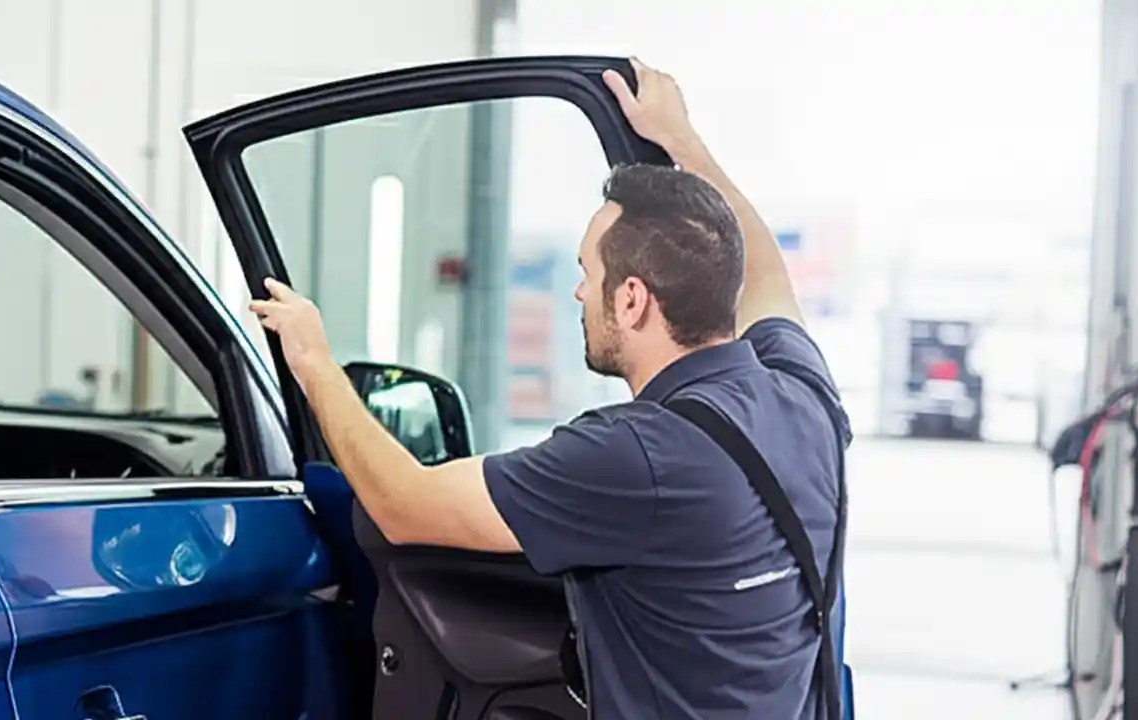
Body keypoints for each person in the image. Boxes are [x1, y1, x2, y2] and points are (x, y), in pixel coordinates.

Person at [250, 58, 851, 719]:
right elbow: (765, 275)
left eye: (586, 272)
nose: (576, 291)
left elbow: (402, 504)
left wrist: (314, 362)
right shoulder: (802, 393)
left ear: (631, 300)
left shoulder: (637, 457)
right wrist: (681, 139)